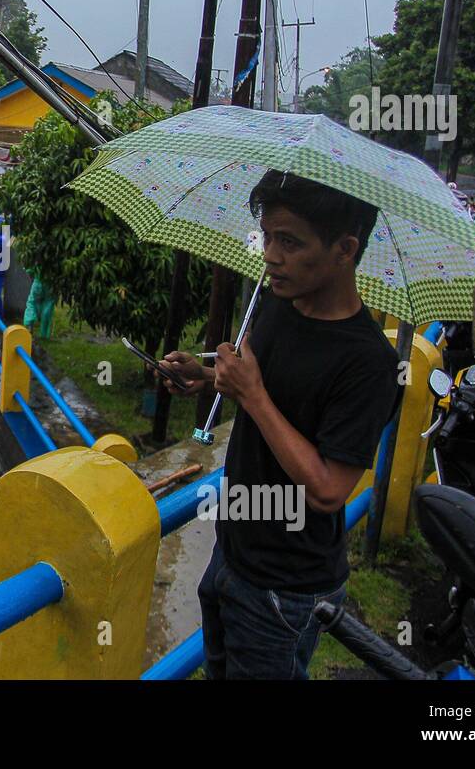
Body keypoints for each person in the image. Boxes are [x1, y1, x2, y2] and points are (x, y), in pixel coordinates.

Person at [159, 170, 400, 680]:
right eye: (267, 236)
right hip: (234, 550)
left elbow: (331, 489)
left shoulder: (368, 362)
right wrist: (205, 378)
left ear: (344, 249)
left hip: (284, 588)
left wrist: (253, 393)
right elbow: (273, 395)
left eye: (289, 241)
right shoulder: (277, 302)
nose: (271, 254)